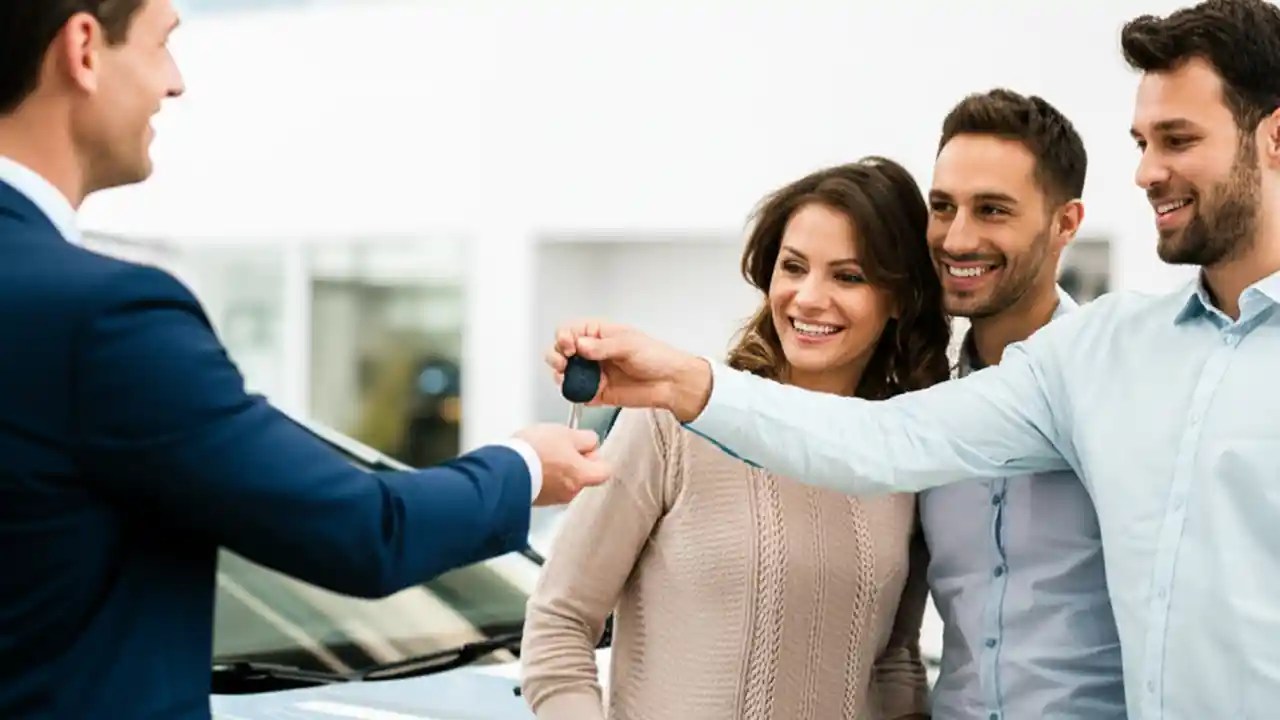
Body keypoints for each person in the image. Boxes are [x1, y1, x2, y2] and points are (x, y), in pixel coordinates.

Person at [546, 1, 1280, 717]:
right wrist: (682, 381)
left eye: (1177, 140)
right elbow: (879, 441)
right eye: (1142, 143)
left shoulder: (1101, 370)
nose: (1146, 171)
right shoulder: (1090, 357)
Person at [0, 2, 608, 718]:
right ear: (83, 49)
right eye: (162, 44)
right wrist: (527, 466)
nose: (176, 83)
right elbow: (362, 531)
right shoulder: (103, 316)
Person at [522, 157, 951, 720]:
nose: (808, 297)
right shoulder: (671, 425)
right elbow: (558, 627)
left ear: (899, 298)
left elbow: (894, 661)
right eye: (793, 267)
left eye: (848, 276)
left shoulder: (901, 454)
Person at [919, 89, 1124, 718]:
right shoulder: (923, 405)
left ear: (1066, 223)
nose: (957, 238)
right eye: (943, 207)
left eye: (992, 210)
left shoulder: (1124, 386)